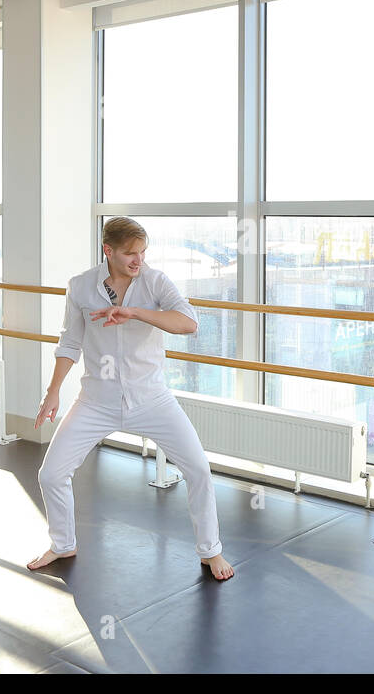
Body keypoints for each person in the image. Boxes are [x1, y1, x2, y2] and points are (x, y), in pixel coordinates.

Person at [28, 218, 234, 581]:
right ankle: (62, 544)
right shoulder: (79, 287)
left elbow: (188, 323)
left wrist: (136, 312)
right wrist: (53, 391)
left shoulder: (155, 282)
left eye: (142, 252)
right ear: (108, 251)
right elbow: (70, 342)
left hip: (152, 399)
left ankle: (210, 551)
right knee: (51, 474)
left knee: (198, 470)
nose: (138, 260)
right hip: (96, 400)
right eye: (129, 254)